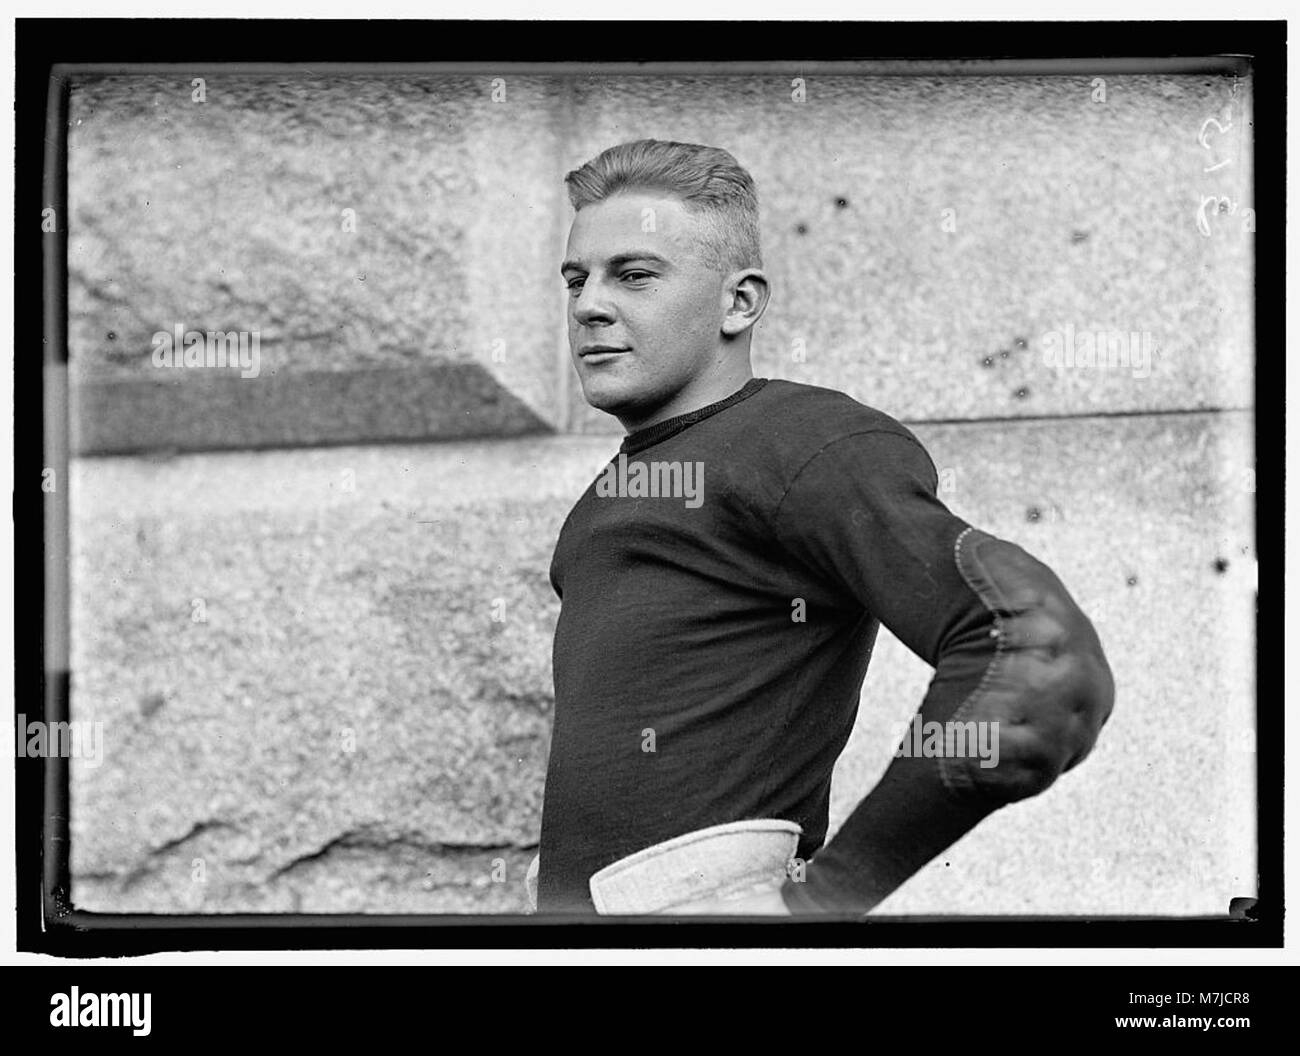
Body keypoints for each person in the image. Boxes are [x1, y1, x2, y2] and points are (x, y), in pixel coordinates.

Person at [532, 138, 1114, 916]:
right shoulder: (617, 491)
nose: (589, 304)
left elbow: (1041, 659)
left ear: (739, 302)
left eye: (634, 274)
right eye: (577, 279)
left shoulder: (802, 440)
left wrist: (821, 906)